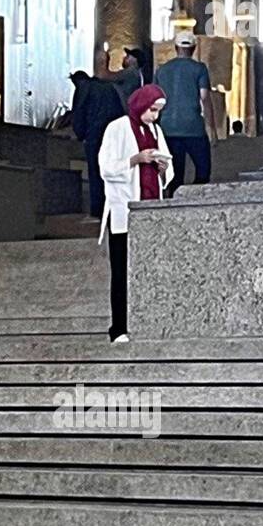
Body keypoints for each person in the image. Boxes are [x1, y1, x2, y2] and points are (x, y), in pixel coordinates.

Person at [99, 85, 172, 345]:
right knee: (121, 272)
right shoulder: (117, 128)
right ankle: (119, 327)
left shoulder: (155, 131)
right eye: (152, 110)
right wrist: (135, 159)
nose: (154, 116)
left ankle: (149, 322)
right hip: (124, 212)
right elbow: (106, 168)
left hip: (151, 209)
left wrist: (162, 168)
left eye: (158, 112)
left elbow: (168, 172)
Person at [155, 32, 218, 195]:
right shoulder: (199, 69)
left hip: (168, 127)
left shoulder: (162, 70)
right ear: (194, 48)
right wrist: (212, 128)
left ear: (176, 48)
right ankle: (196, 199)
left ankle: (175, 202)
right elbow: (204, 98)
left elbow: (155, 100)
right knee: (203, 169)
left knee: (175, 173)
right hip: (193, 127)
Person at [70, 69, 125, 220]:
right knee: (114, 172)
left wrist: (80, 134)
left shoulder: (83, 88)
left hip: (95, 135)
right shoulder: (109, 87)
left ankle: (98, 210)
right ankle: (115, 207)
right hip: (113, 136)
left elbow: (79, 113)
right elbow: (121, 111)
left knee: (95, 172)